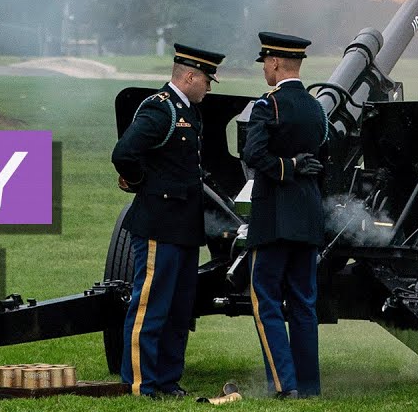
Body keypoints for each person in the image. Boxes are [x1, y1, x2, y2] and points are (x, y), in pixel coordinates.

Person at [111, 43, 225, 398]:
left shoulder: (190, 110)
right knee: (150, 306)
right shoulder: (161, 110)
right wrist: (141, 182)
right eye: (206, 79)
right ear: (189, 76)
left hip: (186, 226)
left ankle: (168, 380)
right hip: (160, 224)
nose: (208, 86)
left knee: (179, 309)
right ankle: (141, 383)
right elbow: (125, 153)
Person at [241, 32, 327, 399]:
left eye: (265, 63)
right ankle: (308, 386)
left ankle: (283, 384)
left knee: (267, 300)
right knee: (305, 304)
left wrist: (285, 166)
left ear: (275, 63)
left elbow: (252, 154)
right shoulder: (315, 108)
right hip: (308, 217)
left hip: (274, 218)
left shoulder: (268, 106)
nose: (265, 69)